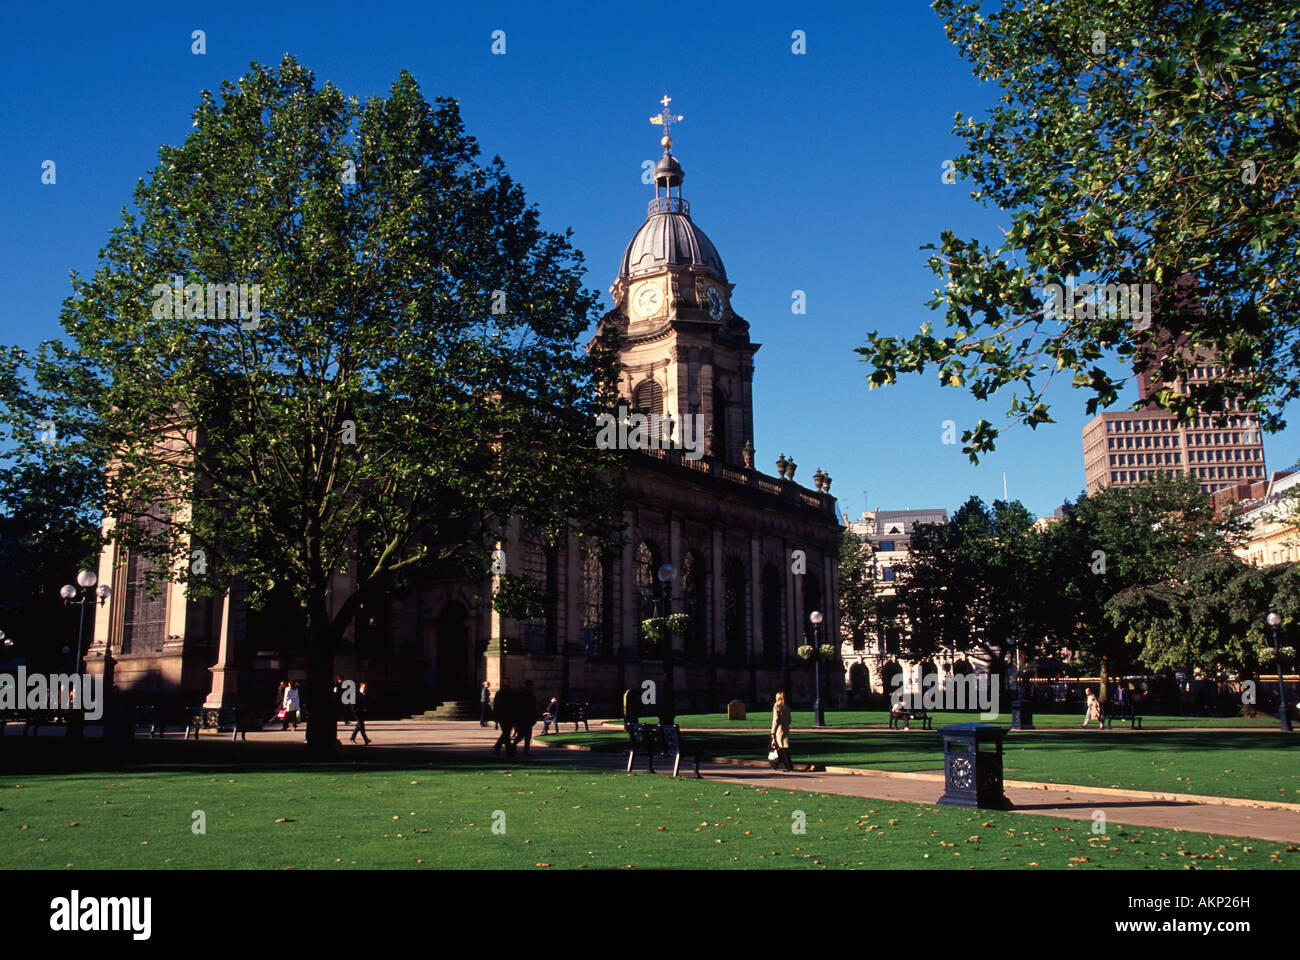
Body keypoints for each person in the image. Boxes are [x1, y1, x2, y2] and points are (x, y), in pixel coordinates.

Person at [770, 691, 794, 772]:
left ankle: (786, 766)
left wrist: (772, 732)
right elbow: (789, 720)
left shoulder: (777, 706)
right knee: (783, 747)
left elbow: (775, 720)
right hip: (785, 728)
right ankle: (784, 765)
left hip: (779, 729)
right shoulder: (786, 707)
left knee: (782, 748)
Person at [513, 680, 538, 757]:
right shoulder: (521, 695)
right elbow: (517, 707)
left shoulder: (530, 695)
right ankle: (513, 745)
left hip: (529, 718)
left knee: (528, 736)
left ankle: (526, 750)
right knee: (521, 735)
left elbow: (533, 707)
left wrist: (534, 717)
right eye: (529, 686)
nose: (530, 687)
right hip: (522, 718)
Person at [492, 679, 515, 757]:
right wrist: (495, 716)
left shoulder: (512, 693)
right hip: (502, 716)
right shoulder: (500, 693)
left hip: (510, 716)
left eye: (508, 683)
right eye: (506, 683)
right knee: (506, 732)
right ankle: (509, 750)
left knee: (506, 732)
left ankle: (498, 746)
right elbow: (496, 705)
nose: (507, 685)